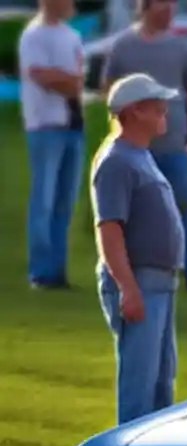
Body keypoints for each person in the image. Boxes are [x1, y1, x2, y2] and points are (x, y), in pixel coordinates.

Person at [90, 73, 186, 425]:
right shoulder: (116, 161)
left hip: (159, 283)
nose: (164, 110)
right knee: (140, 386)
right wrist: (127, 288)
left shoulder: (139, 156)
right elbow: (110, 229)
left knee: (161, 382)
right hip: (140, 282)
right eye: (156, 106)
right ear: (134, 112)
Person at [100, 0, 187, 291]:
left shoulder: (182, 46)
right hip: (135, 148)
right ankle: (128, 273)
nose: (169, 11)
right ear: (145, 8)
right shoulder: (123, 46)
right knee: (130, 214)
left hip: (174, 145)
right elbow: (109, 90)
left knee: (185, 210)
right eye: (163, 5)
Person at [18, 0, 85, 290]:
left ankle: (57, 269)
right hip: (45, 125)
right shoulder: (34, 35)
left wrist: (65, 80)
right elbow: (42, 76)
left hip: (74, 124)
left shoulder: (72, 36)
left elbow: (77, 79)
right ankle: (41, 271)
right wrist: (67, 81)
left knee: (64, 203)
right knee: (44, 200)